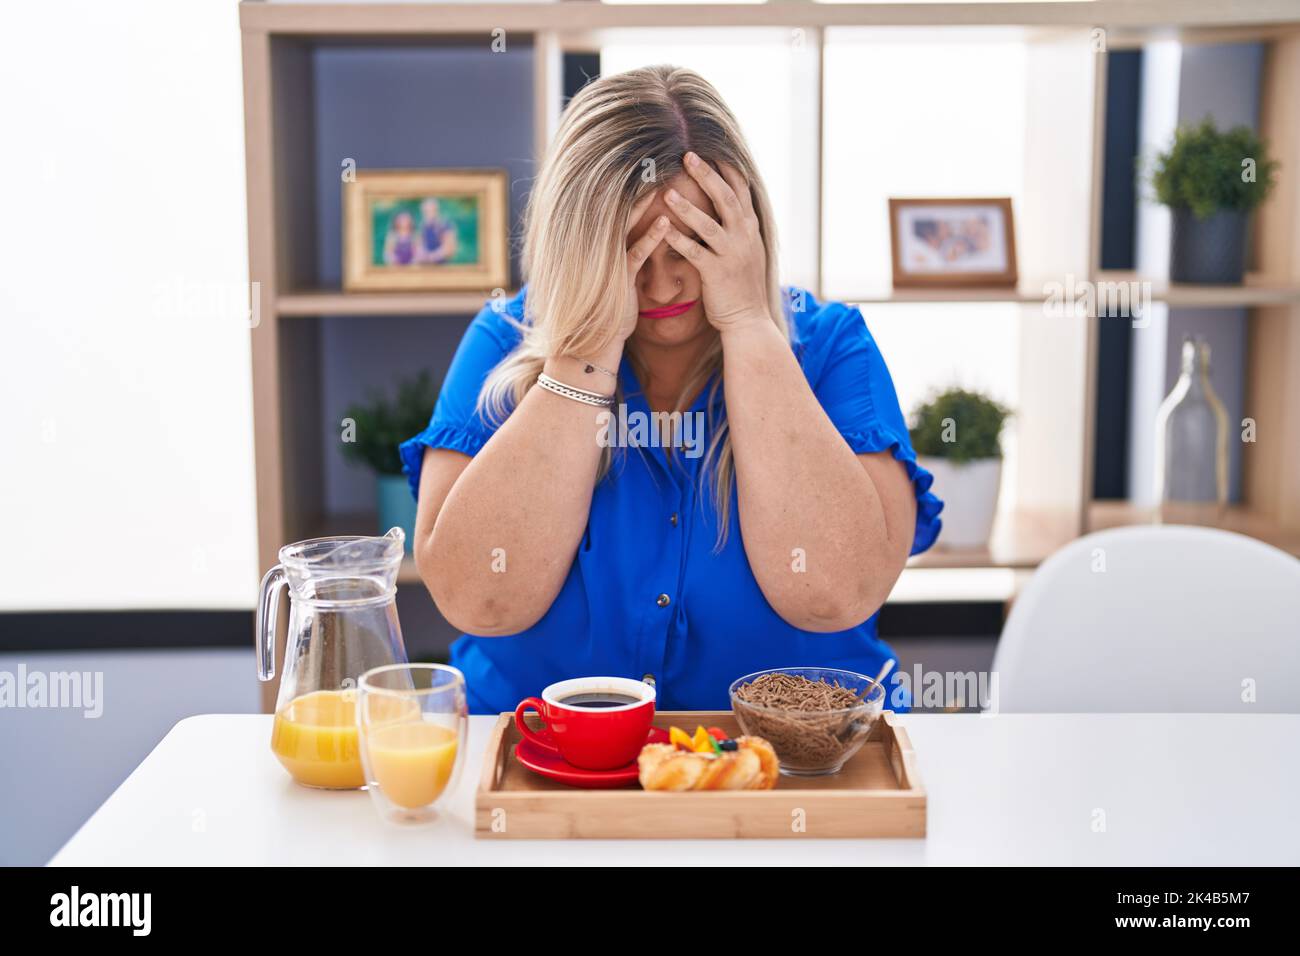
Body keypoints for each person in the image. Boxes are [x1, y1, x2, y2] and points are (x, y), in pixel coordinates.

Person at [399, 65, 943, 715]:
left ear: (747, 230)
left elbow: (835, 592)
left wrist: (746, 324)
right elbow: (477, 598)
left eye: (691, 247)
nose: (660, 288)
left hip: (801, 757)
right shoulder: (505, 339)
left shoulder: (831, 347)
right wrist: (589, 341)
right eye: (627, 253)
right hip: (540, 752)